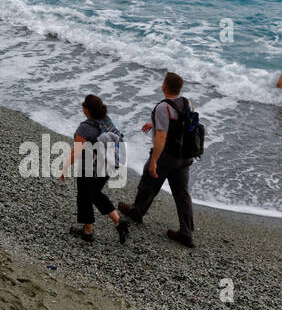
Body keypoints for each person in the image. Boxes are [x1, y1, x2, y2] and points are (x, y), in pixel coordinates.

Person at [118, 72, 196, 246]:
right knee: (182, 194)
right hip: (185, 156)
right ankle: (187, 232)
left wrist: (154, 160)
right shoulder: (187, 103)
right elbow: (182, 123)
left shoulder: (162, 108)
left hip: (167, 156)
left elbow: (161, 137)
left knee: (148, 181)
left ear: (164, 87)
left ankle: (136, 212)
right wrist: (155, 123)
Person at [61, 94, 129, 244]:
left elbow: (76, 152)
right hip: (109, 165)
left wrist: (65, 167)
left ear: (86, 109)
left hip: (90, 167)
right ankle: (119, 222)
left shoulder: (84, 128)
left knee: (84, 196)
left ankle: (88, 231)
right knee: (95, 194)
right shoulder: (107, 120)